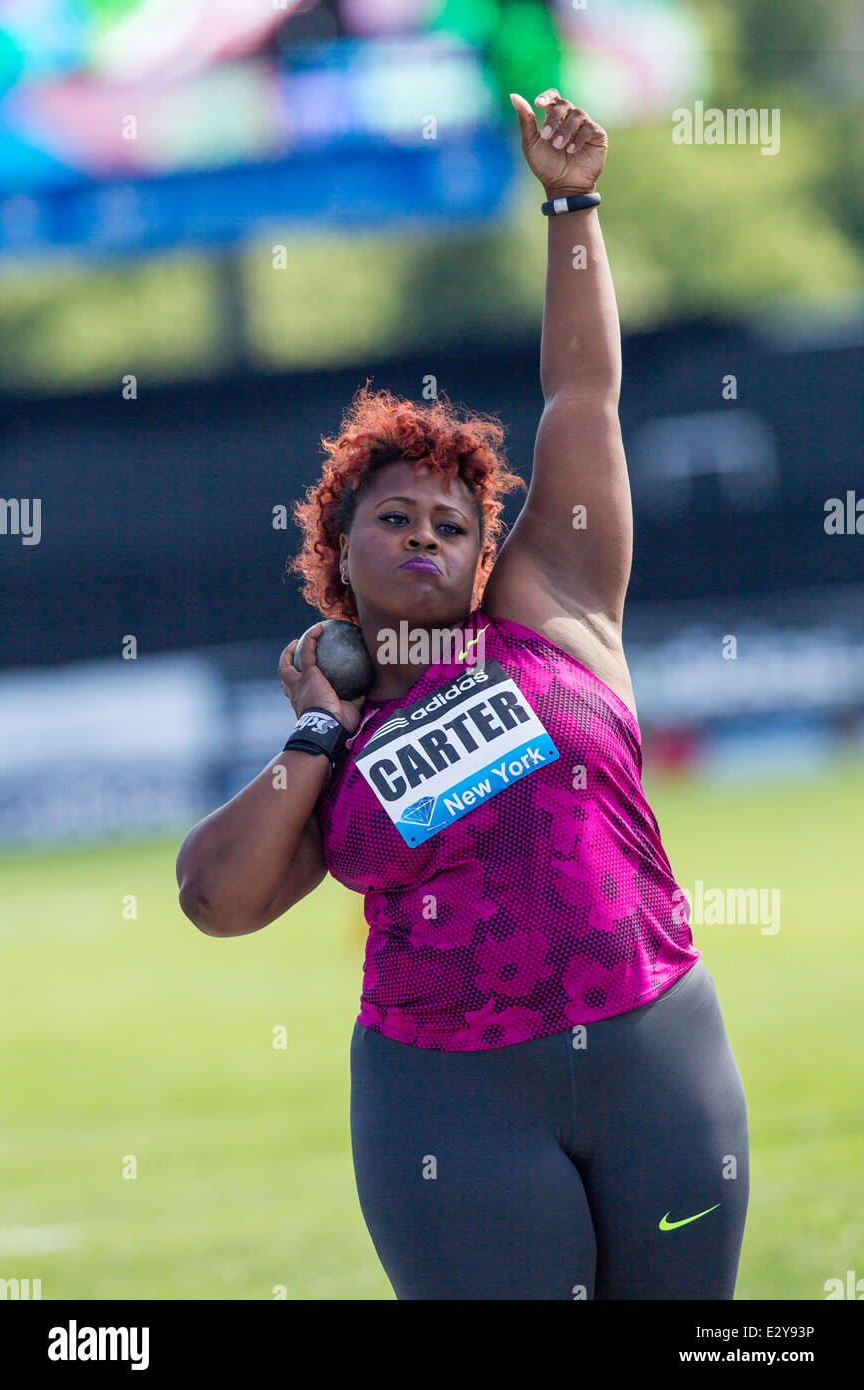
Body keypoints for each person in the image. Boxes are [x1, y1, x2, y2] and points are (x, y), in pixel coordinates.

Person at [176, 90, 749, 1300]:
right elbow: (213, 899)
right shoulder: (332, 734)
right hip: (447, 1094)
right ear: (338, 554)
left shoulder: (550, 614)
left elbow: (580, 396)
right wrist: (318, 727)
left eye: (455, 521)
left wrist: (570, 203)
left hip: (655, 1043)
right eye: (395, 517)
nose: (430, 534)